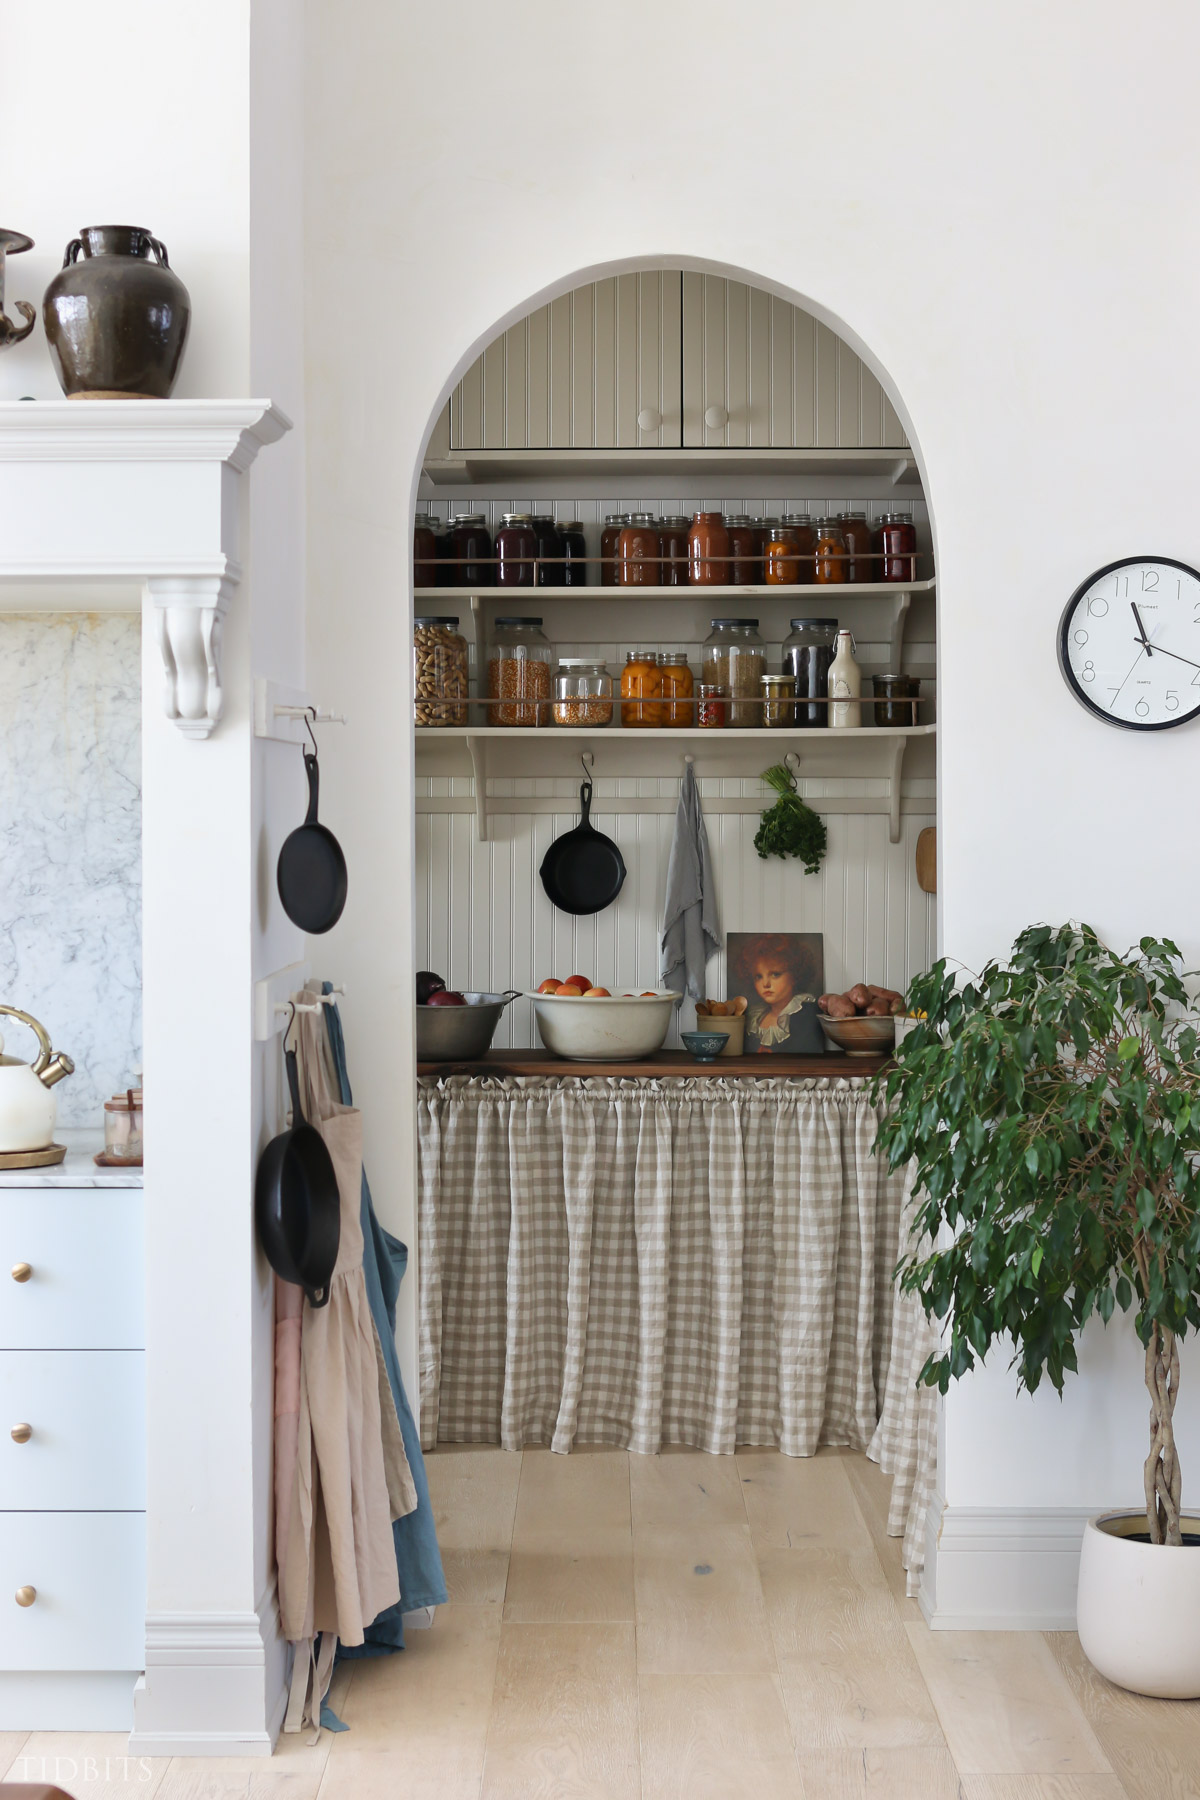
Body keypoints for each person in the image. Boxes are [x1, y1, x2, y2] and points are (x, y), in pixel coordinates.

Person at [744, 936, 817, 1053]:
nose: (765, 984)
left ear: (794, 976)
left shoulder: (806, 1014)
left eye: (775, 974)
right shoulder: (754, 1017)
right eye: (758, 977)